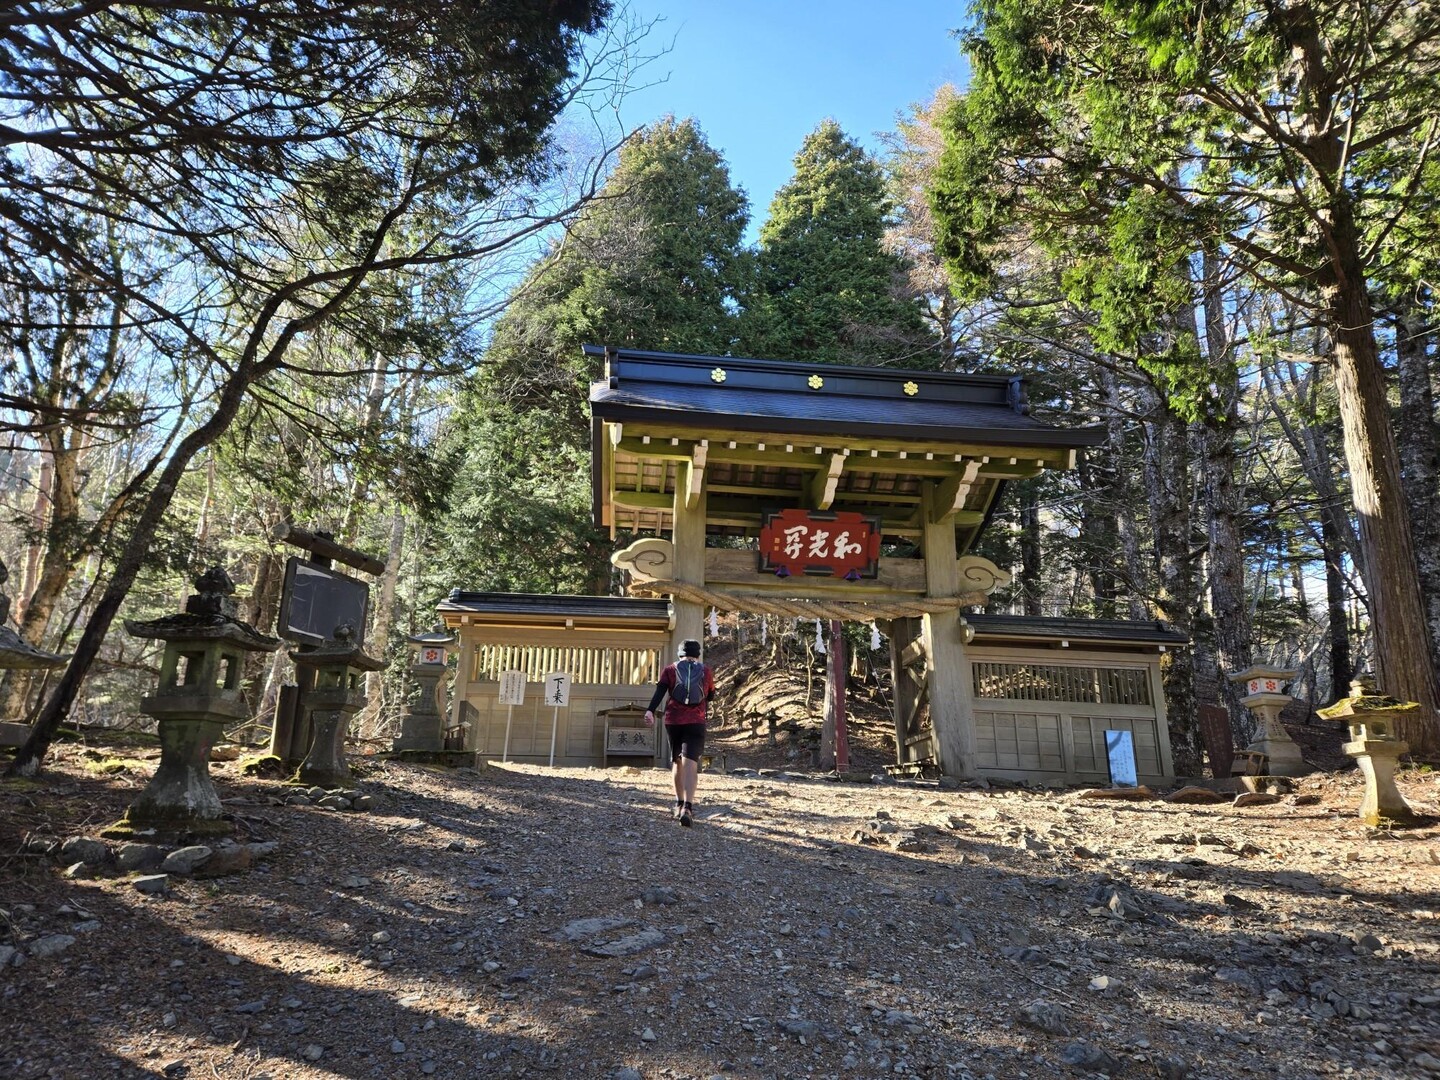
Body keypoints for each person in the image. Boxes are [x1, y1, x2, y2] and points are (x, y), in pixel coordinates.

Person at [644, 638, 715, 826]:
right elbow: (711, 695)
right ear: (697, 654)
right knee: (691, 761)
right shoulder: (705, 671)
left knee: (677, 760)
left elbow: (660, 692)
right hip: (696, 721)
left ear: (680, 653)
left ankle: (678, 803)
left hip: (674, 720)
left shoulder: (670, 669)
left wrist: (650, 710)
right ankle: (688, 807)